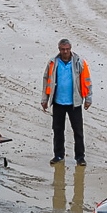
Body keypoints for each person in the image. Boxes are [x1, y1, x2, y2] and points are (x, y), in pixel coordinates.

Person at [40, 38, 92, 166]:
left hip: (75, 103)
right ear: (59, 49)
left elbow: (87, 81)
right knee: (58, 131)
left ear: (70, 49)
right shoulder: (53, 63)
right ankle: (58, 155)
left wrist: (88, 99)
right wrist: (44, 99)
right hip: (58, 103)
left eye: (67, 49)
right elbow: (46, 80)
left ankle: (80, 157)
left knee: (78, 131)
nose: (65, 52)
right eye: (63, 49)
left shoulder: (79, 62)